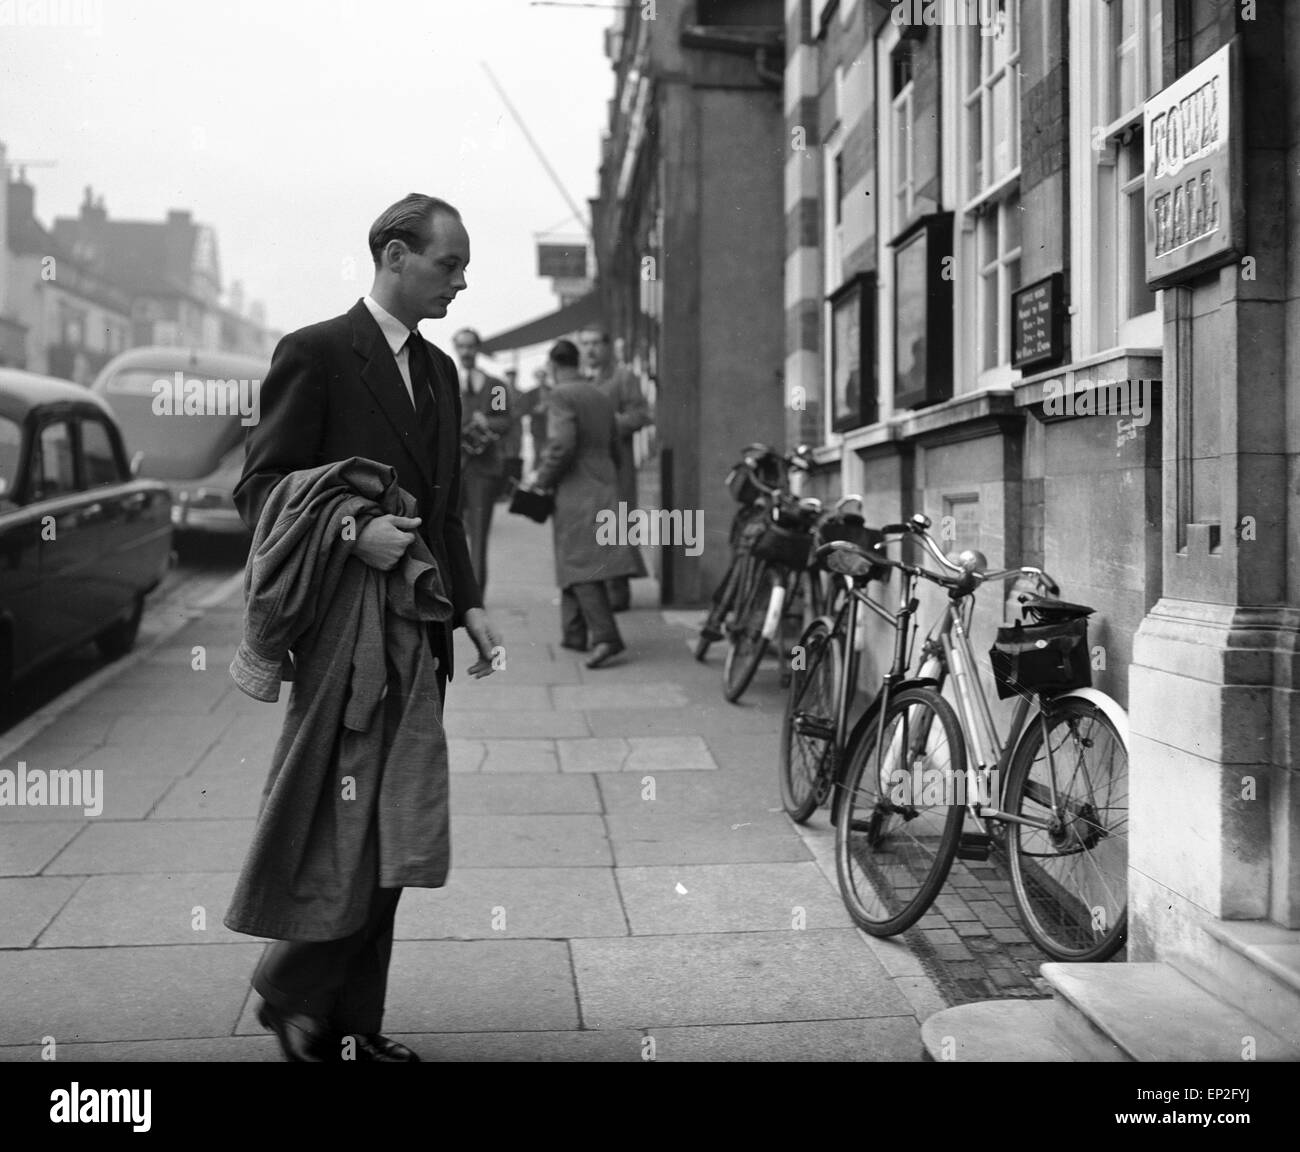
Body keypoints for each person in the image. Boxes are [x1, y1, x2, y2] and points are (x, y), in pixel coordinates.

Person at [230, 192, 502, 1063]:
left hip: (419, 633)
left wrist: (470, 605)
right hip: (348, 640)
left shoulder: (442, 372)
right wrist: (352, 528)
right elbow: (261, 489)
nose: (462, 280)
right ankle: (291, 991)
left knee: (399, 832)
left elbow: (446, 506)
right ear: (394, 254)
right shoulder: (316, 353)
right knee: (357, 830)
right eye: (448, 264)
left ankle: (348, 1030)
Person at [529, 338, 639, 668]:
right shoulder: (601, 396)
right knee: (575, 556)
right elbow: (615, 445)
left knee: (579, 564)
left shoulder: (560, 395)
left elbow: (561, 445)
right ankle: (573, 632)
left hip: (575, 486)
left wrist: (542, 479)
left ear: (553, 365)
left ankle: (606, 636)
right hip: (603, 481)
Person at [578, 325, 652, 611]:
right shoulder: (579, 379)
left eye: (596, 343)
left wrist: (606, 425)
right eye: (586, 344)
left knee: (617, 525)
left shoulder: (623, 378)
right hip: (585, 468)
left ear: (607, 347)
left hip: (616, 464)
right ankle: (596, 590)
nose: (591, 349)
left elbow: (641, 414)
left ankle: (618, 591)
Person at [452, 327, 511, 595]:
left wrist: (487, 421)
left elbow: (505, 420)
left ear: (478, 349)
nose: (466, 352)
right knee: (448, 534)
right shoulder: (447, 380)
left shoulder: (495, 386)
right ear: (456, 348)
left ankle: (475, 597)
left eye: (471, 347)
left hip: (483, 470)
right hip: (452, 468)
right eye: (461, 347)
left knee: (479, 536)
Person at [497, 367, 525, 500]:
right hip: (503, 432)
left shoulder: (520, 393)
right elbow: (497, 411)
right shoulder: (501, 393)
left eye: (513, 376)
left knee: (514, 459)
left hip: (515, 431)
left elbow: (523, 410)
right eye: (509, 376)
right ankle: (502, 490)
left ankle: (512, 491)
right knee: (503, 459)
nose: (511, 379)